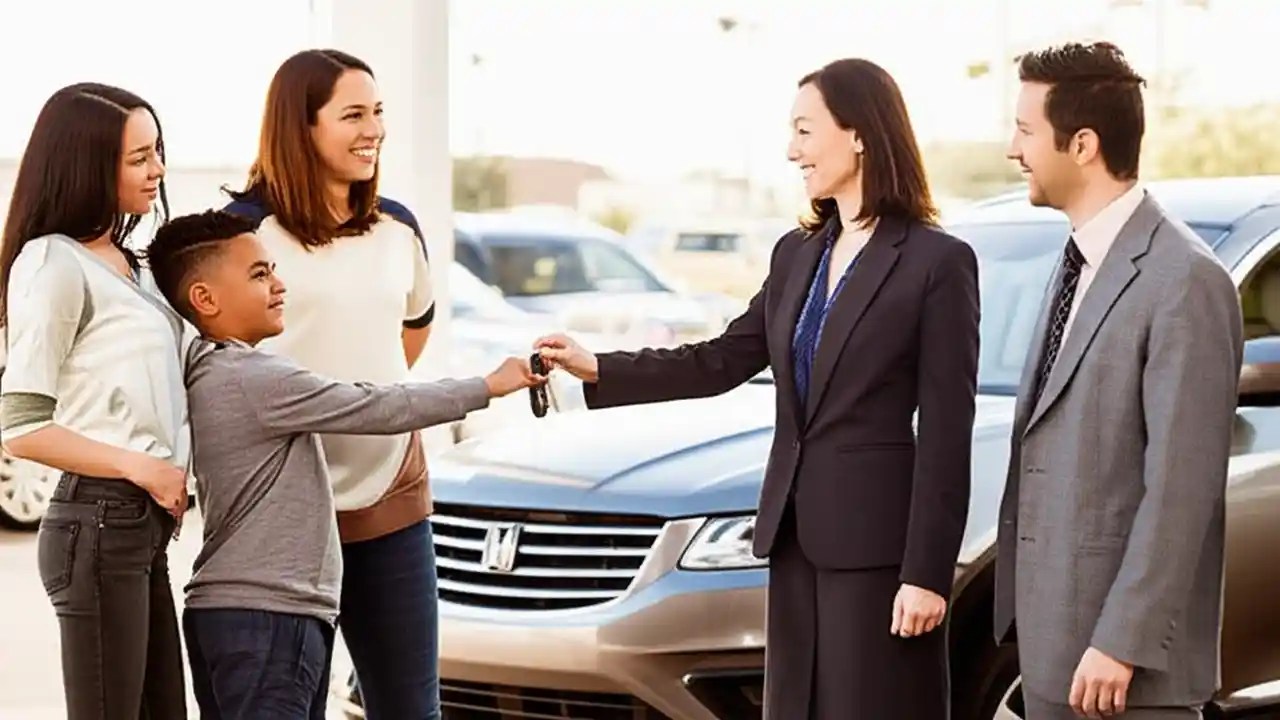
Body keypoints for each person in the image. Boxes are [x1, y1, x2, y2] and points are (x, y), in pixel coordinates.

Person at [536, 58, 980, 719]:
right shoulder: (797, 254)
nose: (791, 149)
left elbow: (947, 431)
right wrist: (600, 366)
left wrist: (926, 572)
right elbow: (720, 359)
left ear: (859, 133)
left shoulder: (935, 262)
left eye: (805, 130)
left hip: (879, 554)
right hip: (794, 537)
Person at [142, 209, 543, 718]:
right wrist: (488, 385)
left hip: (235, 614)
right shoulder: (253, 377)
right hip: (270, 616)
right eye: (259, 274)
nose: (279, 285)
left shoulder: (206, 367)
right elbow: (376, 406)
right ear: (205, 299)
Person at [994, 42, 1243, 720]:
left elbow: (1182, 489)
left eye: (1024, 130)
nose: (1012, 150)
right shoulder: (1075, 259)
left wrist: (1122, 641)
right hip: (1055, 654)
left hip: (1124, 673)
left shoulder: (1186, 280)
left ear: (1082, 144)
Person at [221, 48, 446, 718]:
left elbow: (406, 336)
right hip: (280, 516)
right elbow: (221, 371)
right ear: (302, 127)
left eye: (377, 112)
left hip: (391, 502)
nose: (374, 129)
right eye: (353, 114)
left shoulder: (398, 228)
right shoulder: (241, 234)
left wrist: (365, 400)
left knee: (411, 708)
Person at [0, 83, 189, 719]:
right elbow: (20, 426)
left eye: (157, 151)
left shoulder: (131, 266)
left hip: (142, 530)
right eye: (138, 158)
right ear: (87, 164)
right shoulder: (51, 263)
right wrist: (144, 466)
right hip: (100, 521)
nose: (157, 170)